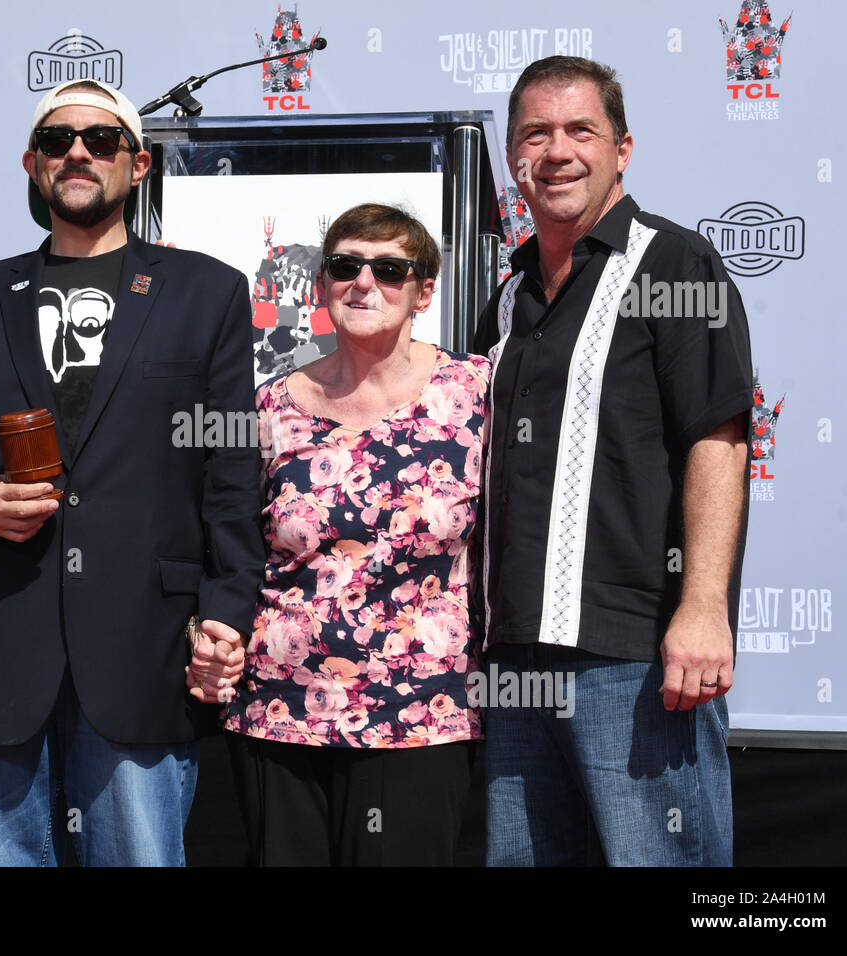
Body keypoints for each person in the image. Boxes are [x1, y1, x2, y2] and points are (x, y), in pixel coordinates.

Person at [0, 78, 262, 867]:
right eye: (59, 139)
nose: (77, 152)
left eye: (100, 141)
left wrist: (229, 609)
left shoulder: (207, 294)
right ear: (32, 164)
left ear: (137, 166)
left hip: (147, 645)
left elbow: (232, 471)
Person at [475, 56, 752, 865]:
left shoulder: (673, 265)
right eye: (536, 133)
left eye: (580, 130)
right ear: (514, 160)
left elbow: (719, 438)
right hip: (514, 662)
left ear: (621, 150)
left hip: (632, 658)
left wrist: (703, 607)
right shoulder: (506, 294)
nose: (557, 151)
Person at [213, 203, 488, 866]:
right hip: (280, 712)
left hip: (423, 716)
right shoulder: (269, 405)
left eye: (390, 269)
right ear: (321, 286)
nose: (365, 282)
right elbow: (231, 541)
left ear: (424, 291)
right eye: (345, 265)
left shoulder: (477, 390)